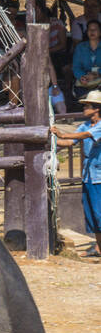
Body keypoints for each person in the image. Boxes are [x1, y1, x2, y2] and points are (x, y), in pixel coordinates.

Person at [52, 89, 101, 257]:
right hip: (89, 175)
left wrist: (62, 133)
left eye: (87, 106)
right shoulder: (86, 125)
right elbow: (70, 142)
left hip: (99, 176)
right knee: (92, 213)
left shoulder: (97, 127)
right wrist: (53, 139)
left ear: (96, 108)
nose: (84, 109)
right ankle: (98, 248)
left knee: (99, 212)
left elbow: (83, 136)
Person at [74, 20, 101, 103]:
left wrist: (97, 74)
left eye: (95, 29)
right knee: (80, 91)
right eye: (90, 29)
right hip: (86, 81)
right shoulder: (80, 47)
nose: (92, 32)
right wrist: (83, 77)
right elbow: (76, 67)